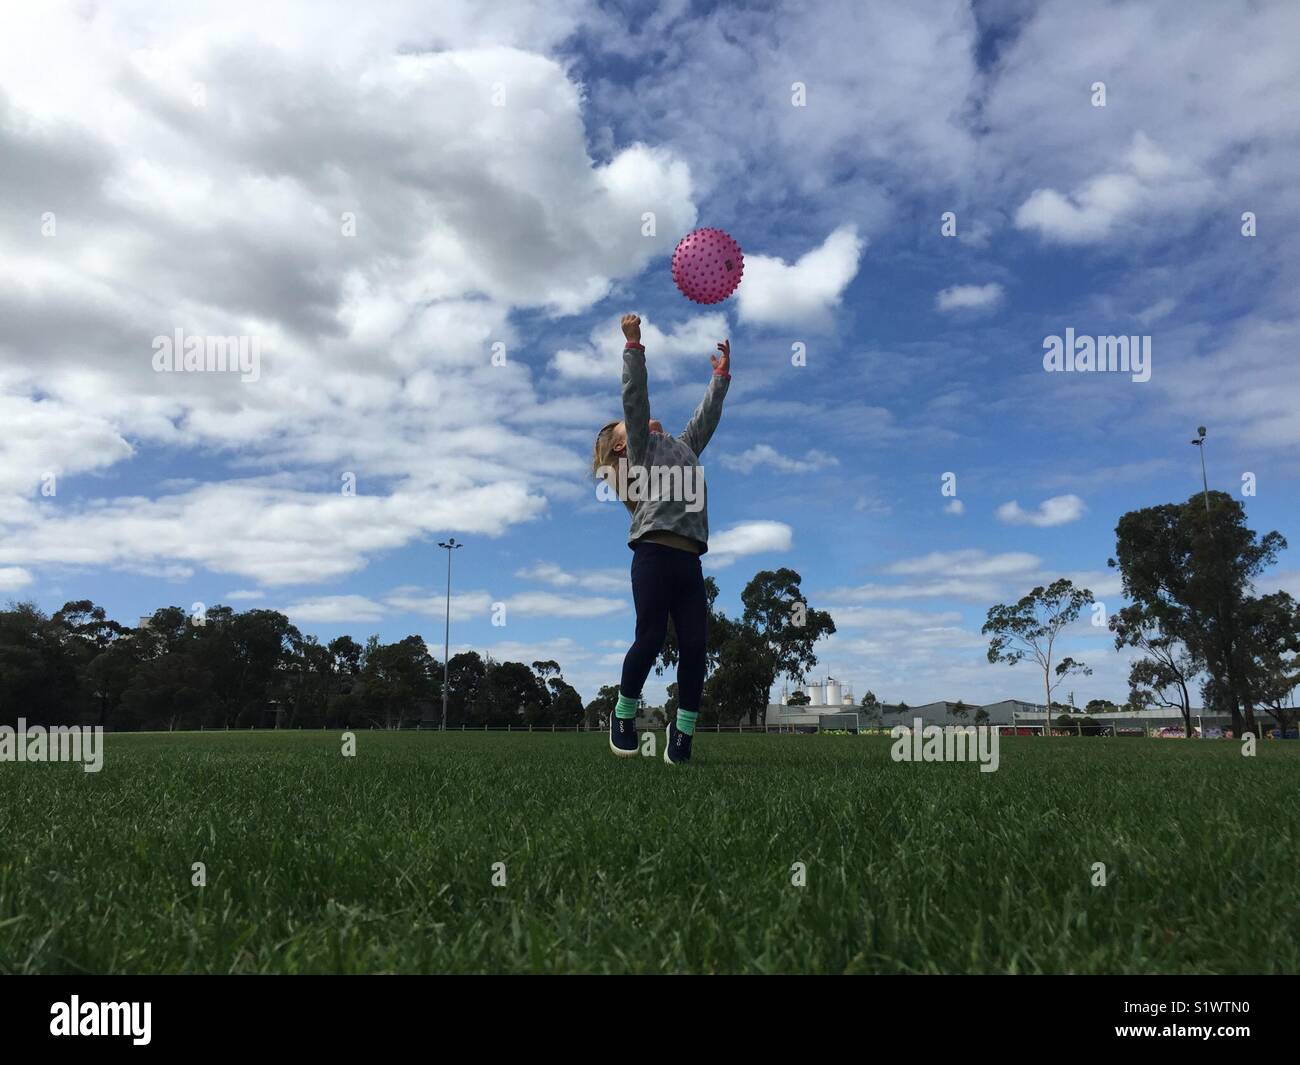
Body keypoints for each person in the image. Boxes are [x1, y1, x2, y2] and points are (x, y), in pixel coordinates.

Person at [590, 313, 730, 764]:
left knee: (695, 648)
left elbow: (706, 418)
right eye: (624, 427)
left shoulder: (685, 446)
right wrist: (633, 346)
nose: (636, 422)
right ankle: (623, 713)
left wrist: (720, 379)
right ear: (622, 446)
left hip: (690, 562)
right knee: (649, 638)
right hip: (652, 554)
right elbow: (635, 398)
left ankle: (682, 732)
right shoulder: (643, 450)